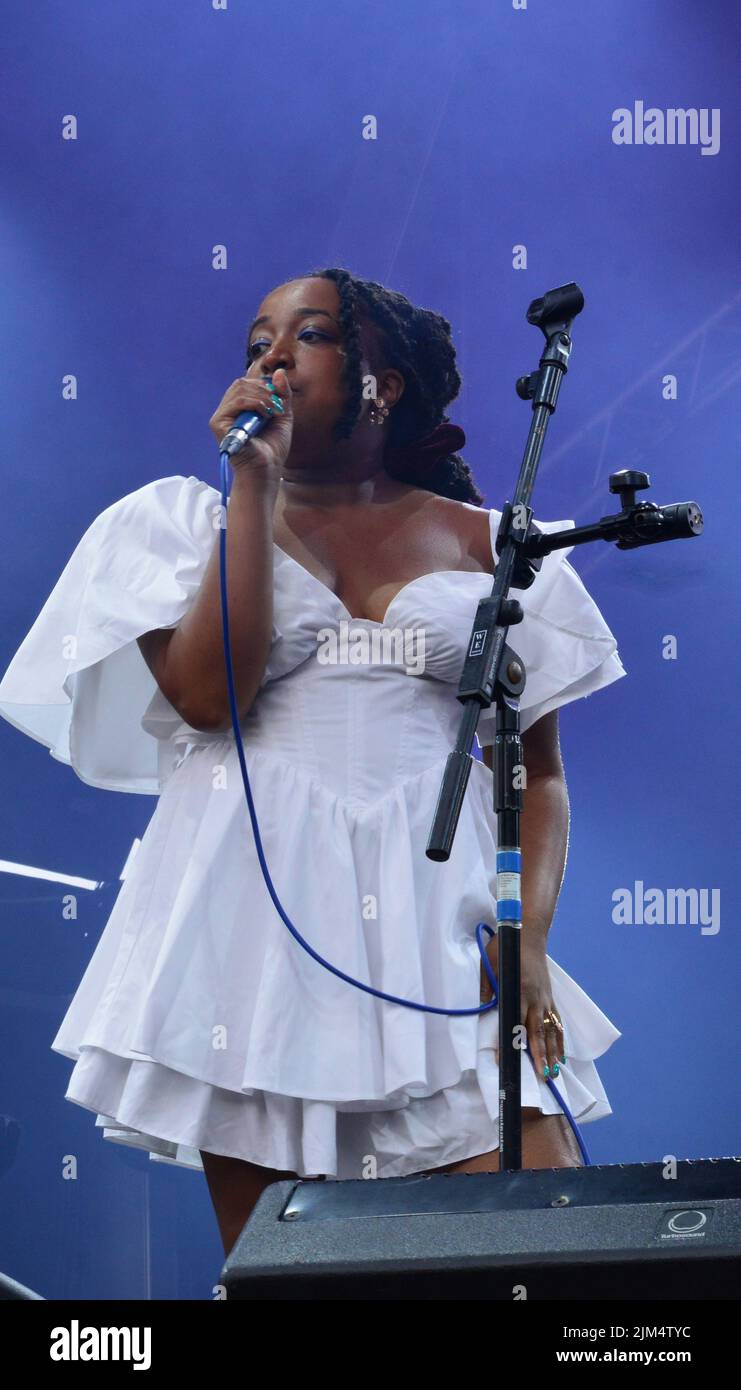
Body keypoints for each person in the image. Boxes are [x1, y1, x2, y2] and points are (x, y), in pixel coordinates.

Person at [0, 268, 626, 1258]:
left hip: (443, 928)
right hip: (244, 938)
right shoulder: (179, 528)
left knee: (554, 1255)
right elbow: (213, 699)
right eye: (257, 341)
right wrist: (251, 484)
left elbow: (535, 771)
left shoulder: (501, 547)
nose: (272, 355)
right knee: (299, 1282)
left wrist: (531, 936)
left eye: (311, 334)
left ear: (385, 381)